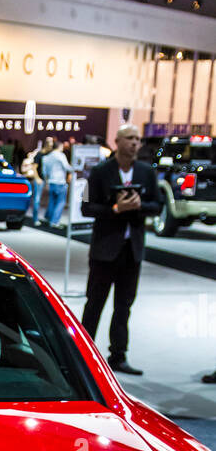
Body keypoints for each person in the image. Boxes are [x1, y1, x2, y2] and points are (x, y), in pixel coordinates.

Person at [80, 122, 160, 376]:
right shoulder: (99, 172)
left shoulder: (147, 173)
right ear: (118, 142)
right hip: (104, 251)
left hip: (132, 251)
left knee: (124, 307)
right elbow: (86, 208)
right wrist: (115, 210)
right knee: (94, 304)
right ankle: (83, 356)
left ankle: (118, 355)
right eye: (130, 138)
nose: (135, 143)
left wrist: (138, 206)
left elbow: (157, 205)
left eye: (138, 139)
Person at [41, 140, 73, 226]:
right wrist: (75, 168)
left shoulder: (46, 157)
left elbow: (44, 172)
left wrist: (47, 181)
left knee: (52, 201)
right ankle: (54, 221)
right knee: (60, 202)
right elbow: (67, 167)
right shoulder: (61, 156)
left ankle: (49, 218)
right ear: (59, 146)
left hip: (51, 182)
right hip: (60, 182)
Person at [20, 147, 42, 225]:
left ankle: (34, 218)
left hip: (34, 181)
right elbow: (23, 170)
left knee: (36, 199)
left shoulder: (35, 161)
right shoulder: (27, 161)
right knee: (28, 199)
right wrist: (29, 166)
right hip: (27, 181)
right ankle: (23, 214)